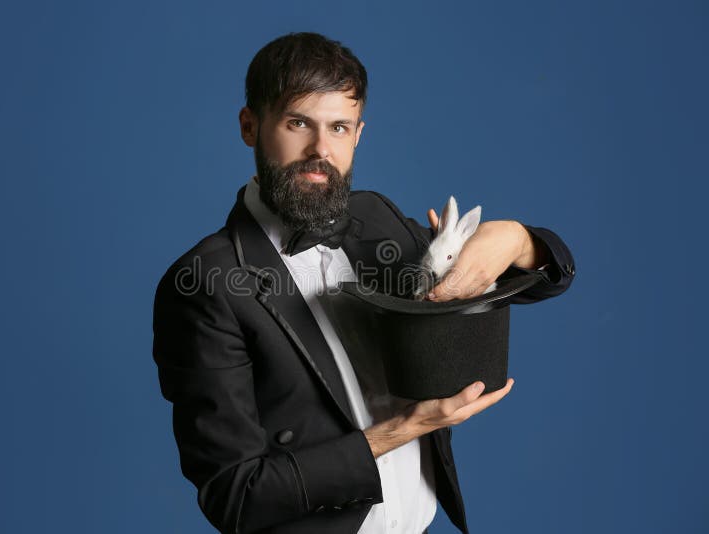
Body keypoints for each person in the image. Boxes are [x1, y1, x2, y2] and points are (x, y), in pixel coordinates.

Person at [152, 32, 575, 534]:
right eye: (297, 124)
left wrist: (516, 240)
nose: (320, 149)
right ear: (250, 126)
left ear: (359, 134)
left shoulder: (378, 219)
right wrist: (404, 430)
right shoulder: (205, 283)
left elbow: (540, 279)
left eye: (338, 127)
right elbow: (237, 497)